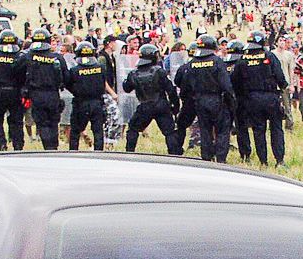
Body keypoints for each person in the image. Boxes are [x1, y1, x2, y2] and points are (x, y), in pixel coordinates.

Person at [175, 34, 235, 162]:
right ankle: (221, 159)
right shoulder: (217, 61)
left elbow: (185, 86)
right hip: (217, 100)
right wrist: (231, 102)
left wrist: (188, 101)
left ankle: (207, 158)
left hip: (200, 101)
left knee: (205, 130)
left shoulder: (192, 63)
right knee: (222, 131)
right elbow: (226, 85)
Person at [234, 30, 288, 166]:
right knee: (276, 129)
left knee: (259, 130)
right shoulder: (270, 56)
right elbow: (281, 78)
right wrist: (282, 87)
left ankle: (263, 161)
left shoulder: (242, 60)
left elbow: (235, 81)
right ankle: (279, 160)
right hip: (271, 97)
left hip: (252, 99)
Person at [121, 43, 180, 154]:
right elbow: (171, 90)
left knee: (133, 129)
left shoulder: (134, 73)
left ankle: (129, 152)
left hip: (144, 106)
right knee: (170, 132)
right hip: (161, 105)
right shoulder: (159, 71)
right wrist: (175, 106)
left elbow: (127, 88)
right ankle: (175, 155)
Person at [15, 29, 67, 150]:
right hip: (53, 94)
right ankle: (53, 148)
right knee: (53, 123)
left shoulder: (27, 57)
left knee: (42, 123)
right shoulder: (57, 58)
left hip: (36, 95)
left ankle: (48, 148)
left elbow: (17, 73)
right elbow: (66, 77)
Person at [66, 40, 113, 151]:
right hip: (97, 103)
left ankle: (73, 154)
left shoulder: (74, 70)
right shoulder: (100, 68)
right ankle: (99, 154)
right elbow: (103, 83)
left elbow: (68, 84)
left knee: (75, 132)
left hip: (80, 104)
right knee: (98, 131)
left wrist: (76, 91)